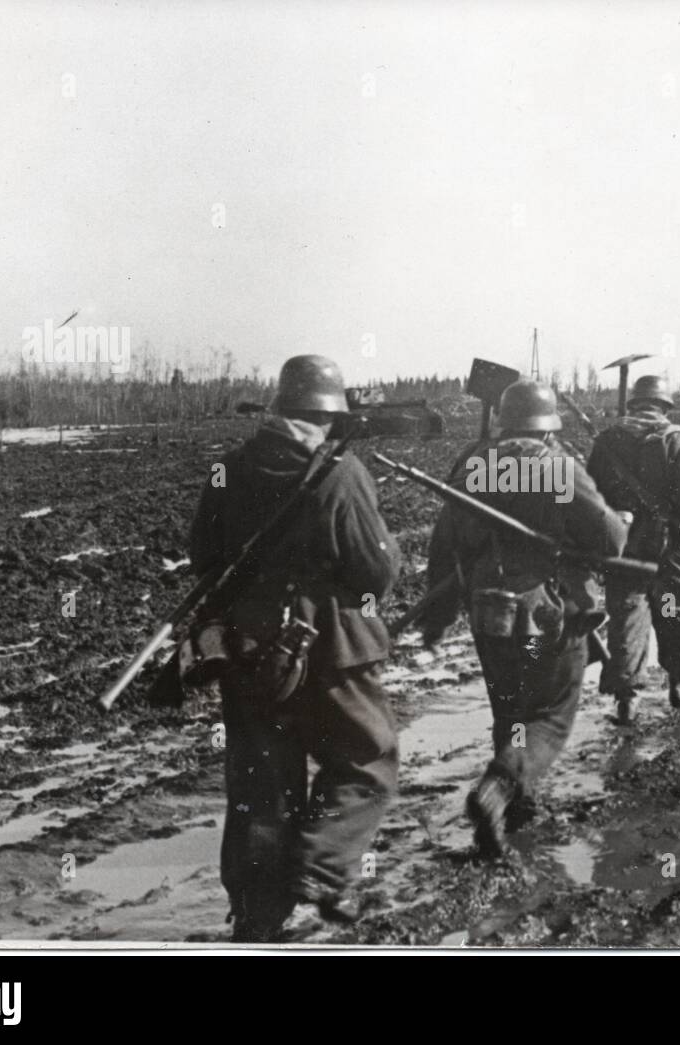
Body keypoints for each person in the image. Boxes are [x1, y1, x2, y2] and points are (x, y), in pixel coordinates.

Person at [188, 354, 402, 942]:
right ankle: (320, 866)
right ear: (330, 417)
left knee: (261, 788)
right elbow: (376, 573)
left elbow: (202, 557)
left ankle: (258, 915)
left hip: (247, 652)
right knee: (367, 760)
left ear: (280, 408)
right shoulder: (340, 472)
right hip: (330, 650)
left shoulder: (228, 469)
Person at [421, 379, 626, 857]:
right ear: (547, 426)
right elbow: (612, 540)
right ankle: (498, 788)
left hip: (489, 615)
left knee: (510, 710)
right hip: (543, 617)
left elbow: (443, 545)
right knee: (550, 715)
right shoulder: (554, 467)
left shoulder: (474, 466)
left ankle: (516, 808)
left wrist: (438, 615)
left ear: (503, 421)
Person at [586, 375, 680, 726]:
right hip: (670, 552)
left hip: (625, 550)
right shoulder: (674, 440)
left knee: (629, 617)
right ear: (664, 406)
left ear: (634, 404)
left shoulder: (607, 441)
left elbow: (592, 498)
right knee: (673, 610)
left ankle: (627, 698)